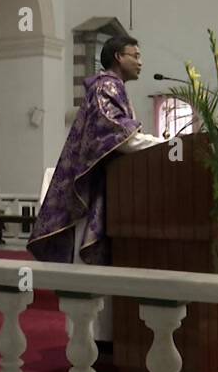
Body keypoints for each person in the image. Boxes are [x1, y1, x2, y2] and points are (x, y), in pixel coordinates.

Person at [27, 36, 163, 341]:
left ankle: (97, 338)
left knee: (98, 273)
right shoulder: (106, 87)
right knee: (90, 272)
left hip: (108, 188)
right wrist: (161, 145)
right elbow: (116, 134)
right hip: (94, 194)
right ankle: (88, 339)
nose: (141, 61)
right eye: (135, 55)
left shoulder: (114, 88)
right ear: (118, 56)